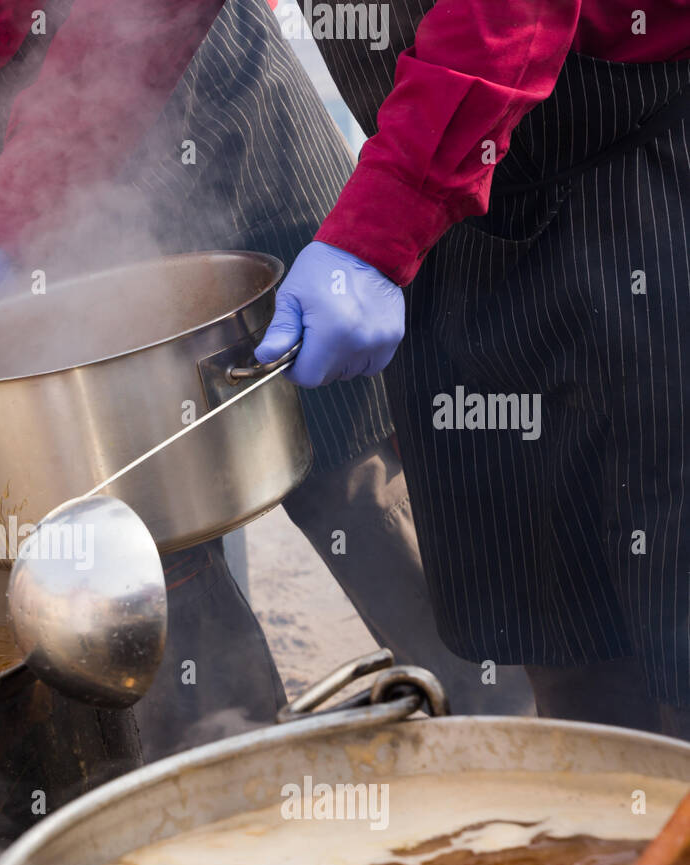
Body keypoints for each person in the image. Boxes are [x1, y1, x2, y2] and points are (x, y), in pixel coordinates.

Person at [0, 0, 534, 758]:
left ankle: (517, 760)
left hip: (202, 90)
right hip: (4, 158)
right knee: (125, 523)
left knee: (357, 468)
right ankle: (236, 794)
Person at [244, 2, 689, 737]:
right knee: (561, 653)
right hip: (458, 221)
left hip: (647, 194)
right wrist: (8, 227)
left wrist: (382, 227)